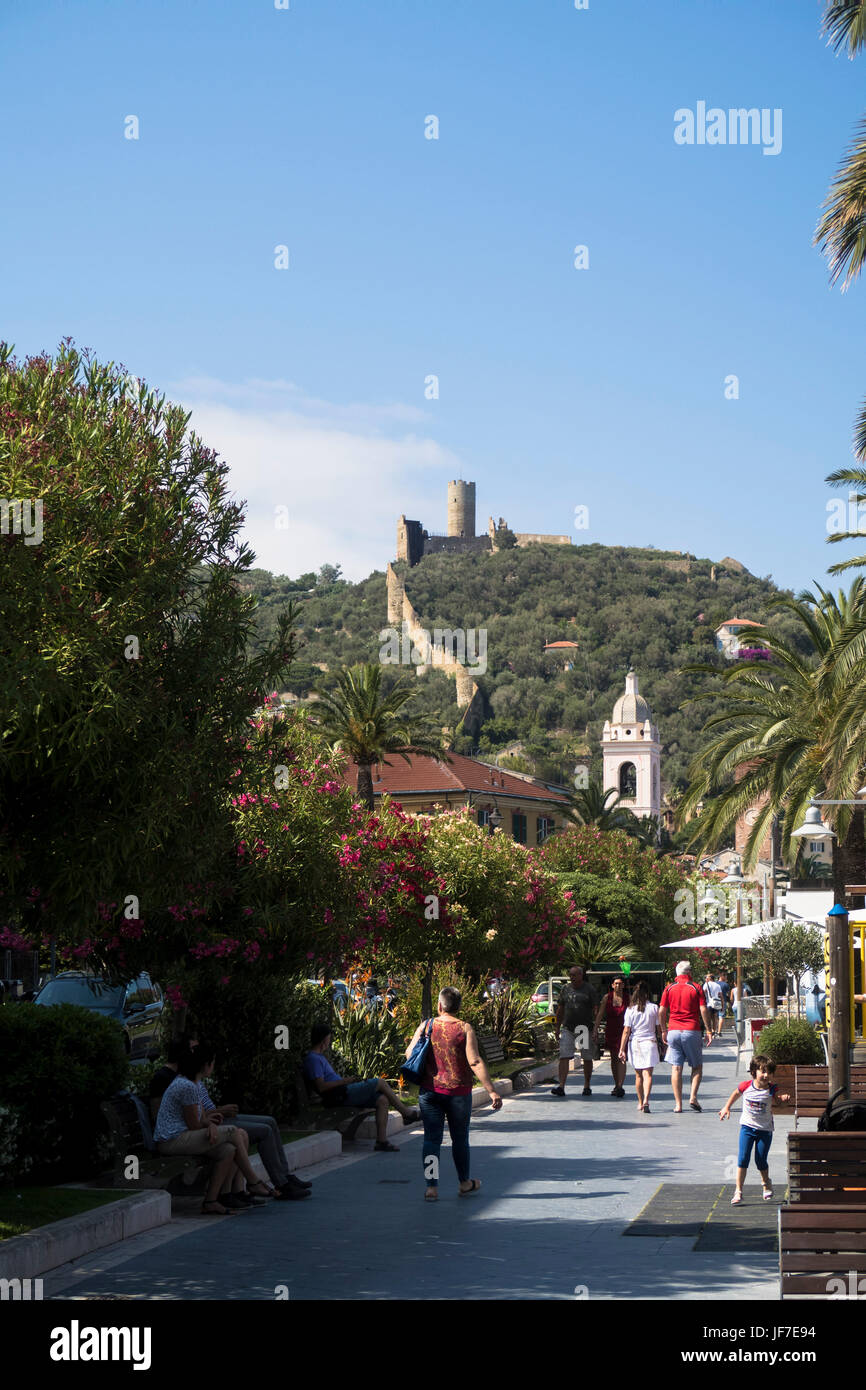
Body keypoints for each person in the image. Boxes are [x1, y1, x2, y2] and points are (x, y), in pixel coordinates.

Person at [150, 1035, 311, 1200]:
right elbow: (189, 1121)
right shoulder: (182, 1082)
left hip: (202, 1125)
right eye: (194, 1049)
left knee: (255, 1130)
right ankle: (262, 1182)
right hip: (180, 1135)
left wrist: (212, 1119)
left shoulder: (192, 1081)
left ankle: (232, 1193)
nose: (197, 1052)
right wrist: (213, 1120)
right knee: (248, 1132)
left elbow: (198, 1116)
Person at [406, 985, 503, 1201]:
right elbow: (475, 1061)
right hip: (459, 1093)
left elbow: (409, 1053)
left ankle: (431, 1187)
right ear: (458, 1006)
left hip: (430, 1092)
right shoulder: (465, 1028)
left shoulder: (427, 1025)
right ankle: (464, 1182)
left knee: (431, 1140)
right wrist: (492, 1091)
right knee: (460, 1139)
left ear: (440, 1005)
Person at [152, 1041, 273, 1215]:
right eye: (212, 1063)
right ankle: (253, 1181)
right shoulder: (187, 1086)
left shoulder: (192, 1083)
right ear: (205, 1065)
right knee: (233, 1132)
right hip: (172, 1140)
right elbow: (194, 1124)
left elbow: (200, 1118)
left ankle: (214, 1199)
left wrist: (209, 1124)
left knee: (229, 1149)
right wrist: (209, 1126)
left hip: (183, 1136)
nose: (213, 1066)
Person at [304, 1023, 419, 1150]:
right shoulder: (313, 1059)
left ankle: (382, 1142)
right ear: (323, 1039)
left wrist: (347, 1081)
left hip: (342, 1092)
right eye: (328, 1038)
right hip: (339, 1095)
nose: (329, 1041)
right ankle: (406, 1113)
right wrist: (344, 1081)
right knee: (380, 1082)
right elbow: (321, 1087)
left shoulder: (319, 1057)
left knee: (382, 1100)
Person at [719, 1054, 790, 1203]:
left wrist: (784, 1101)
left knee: (760, 1160)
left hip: (765, 1130)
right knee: (743, 1158)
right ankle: (738, 1190)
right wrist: (727, 1107)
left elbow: (778, 1103)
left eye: (769, 1072)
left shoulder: (772, 1089)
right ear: (753, 1071)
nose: (766, 1075)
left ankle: (766, 1184)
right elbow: (735, 1094)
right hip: (747, 1127)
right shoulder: (746, 1086)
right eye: (762, 1071)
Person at [659, 960, 714, 1113]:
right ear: (689, 973)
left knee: (676, 1068)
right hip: (691, 1030)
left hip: (674, 1031)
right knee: (697, 1066)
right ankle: (693, 1097)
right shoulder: (696, 987)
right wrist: (709, 1030)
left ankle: (678, 1104)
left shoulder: (669, 988)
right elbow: (703, 1009)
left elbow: (661, 1011)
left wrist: (664, 1030)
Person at [551, 965, 599, 1097]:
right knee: (564, 1056)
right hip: (568, 1028)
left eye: (574, 975)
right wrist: (557, 1027)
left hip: (584, 1028)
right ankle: (561, 1086)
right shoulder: (565, 989)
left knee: (586, 1058)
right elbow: (560, 1009)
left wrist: (595, 1028)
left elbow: (596, 1008)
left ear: (581, 975)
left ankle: (587, 1086)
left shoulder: (589, 989)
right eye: (570, 975)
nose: (571, 978)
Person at [619, 980, 662, 1112]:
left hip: (635, 1044)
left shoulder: (630, 1010)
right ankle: (646, 1100)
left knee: (638, 1075)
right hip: (650, 1043)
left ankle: (639, 1102)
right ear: (647, 994)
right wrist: (662, 1042)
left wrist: (622, 1049)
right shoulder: (654, 1008)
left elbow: (626, 1030)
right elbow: (659, 1028)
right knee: (648, 1075)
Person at [594, 976, 630, 1097]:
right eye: (616, 984)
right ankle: (616, 1084)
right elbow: (600, 1013)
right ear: (612, 985)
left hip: (624, 1030)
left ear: (624, 985)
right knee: (614, 1058)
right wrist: (595, 1029)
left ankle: (620, 1085)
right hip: (611, 1030)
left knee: (622, 1057)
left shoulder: (628, 998)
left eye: (620, 984)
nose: (618, 986)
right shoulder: (607, 997)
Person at [703, 972, 725, 1037]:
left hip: (709, 1003)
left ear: (709, 978)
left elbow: (703, 992)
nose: (706, 978)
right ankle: (713, 1031)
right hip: (716, 1004)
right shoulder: (717, 985)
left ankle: (709, 1031)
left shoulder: (706, 984)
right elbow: (721, 996)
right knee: (714, 1018)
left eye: (706, 977)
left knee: (708, 1018)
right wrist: (722, 1006)